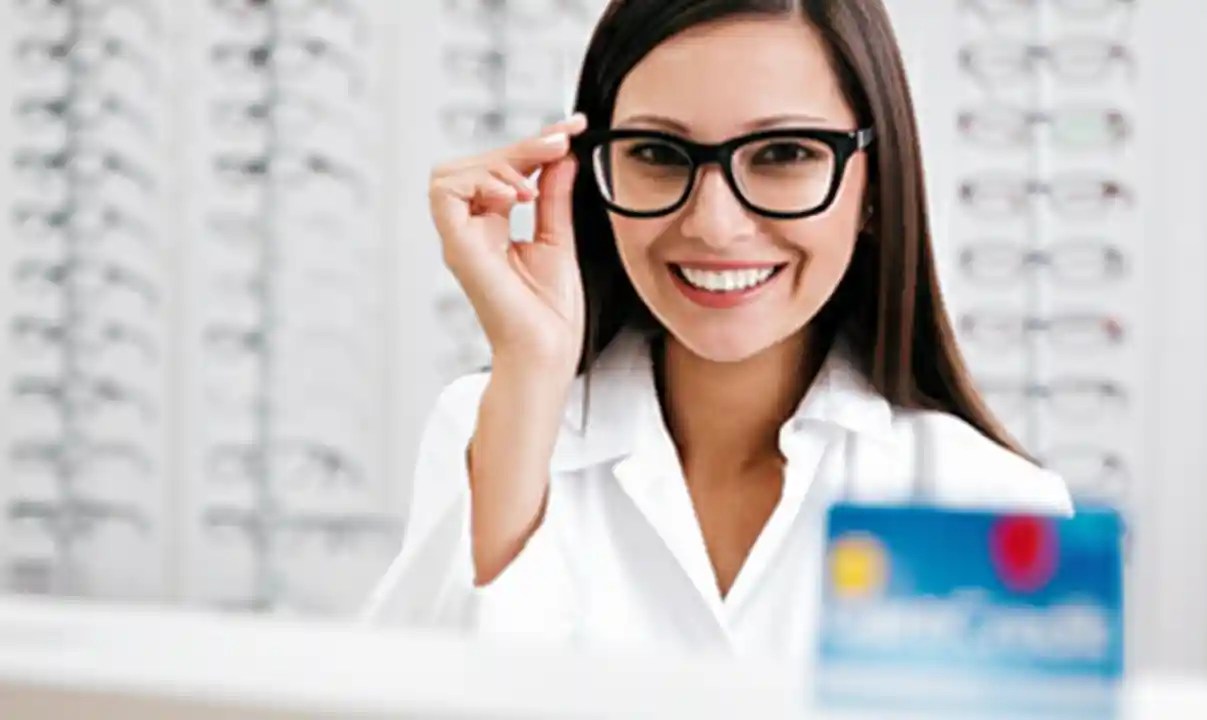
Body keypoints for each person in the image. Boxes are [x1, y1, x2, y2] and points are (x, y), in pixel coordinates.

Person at [359, 0, 1071, 658]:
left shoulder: (991, 502)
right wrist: (530, 366)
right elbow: (401, 696)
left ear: (874, 187)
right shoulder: (491, 427)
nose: (714, 225)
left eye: (785, 154)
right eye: (658, 155)